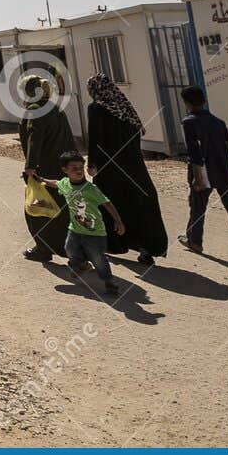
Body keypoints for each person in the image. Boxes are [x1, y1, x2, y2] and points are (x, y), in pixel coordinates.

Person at [85, 73, 168, 266]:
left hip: (109, 168)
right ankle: (147, 249)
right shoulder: (126, 109)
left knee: (108, 205)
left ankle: (111, 244)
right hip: (134, 169)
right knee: (139, 206)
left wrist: (92, 163)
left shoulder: (96, 109)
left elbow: (95, 139)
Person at [178, 86, 228, 269]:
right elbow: (227, 150)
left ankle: (194, 241)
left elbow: (195, 153)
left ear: (187, 103)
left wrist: (198, 178)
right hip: (226, 171)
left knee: (198, 208)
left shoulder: (189, 122)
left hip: (204, 171)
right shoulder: (219, 122)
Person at [35, 152, 124, 296]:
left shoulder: (90, 189)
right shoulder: (65, 183)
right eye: (73, 167)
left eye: (80, 167)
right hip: (75, 229)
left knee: (99, 259)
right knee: (69, 249)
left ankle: (110, 282)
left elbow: (107, 203)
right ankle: (82, 266)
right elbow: (56, 183)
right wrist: (41, 180)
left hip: (95, 232)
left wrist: (118, 221)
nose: (78, 170)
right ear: (65, 170)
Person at [18, 76, 74, 260]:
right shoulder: (56, 108)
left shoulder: (35, 110)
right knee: (62, 208)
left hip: (44, 169)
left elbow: (35, 138)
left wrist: (31, 166)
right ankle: (70, 247)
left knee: (39, 210)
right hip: (62, 168)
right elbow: (68, 137)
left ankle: (44, 248)